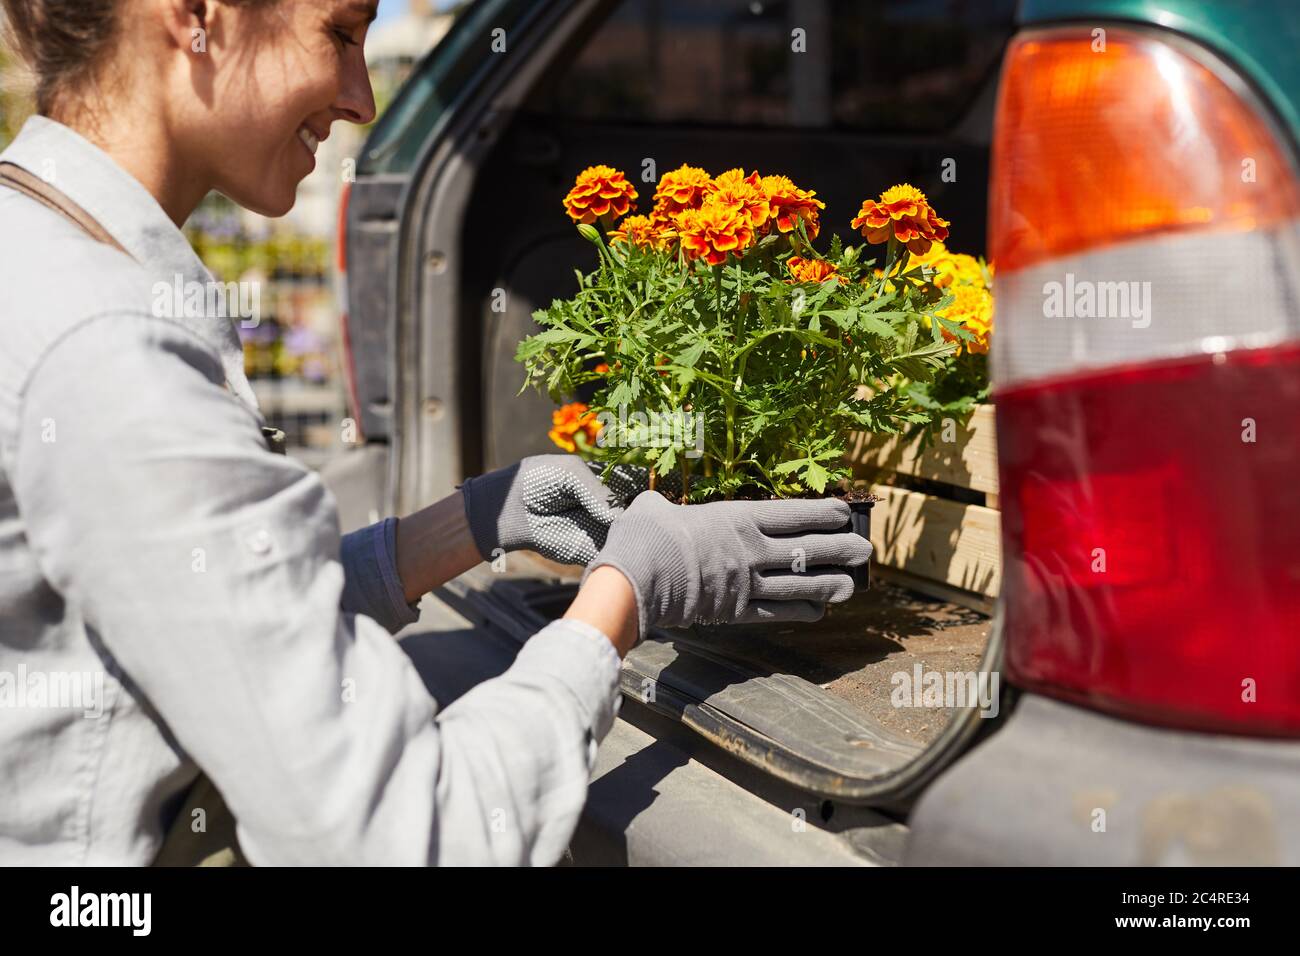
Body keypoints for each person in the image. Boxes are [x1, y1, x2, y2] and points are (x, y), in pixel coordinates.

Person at [0, 0, 870, 865]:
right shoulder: (109, 349)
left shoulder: (37, 253)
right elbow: (403, 836)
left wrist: (470, 523)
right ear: (196, 16)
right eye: (339, 33)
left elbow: (192, 619)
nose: (361, 98)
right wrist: (627, 595)